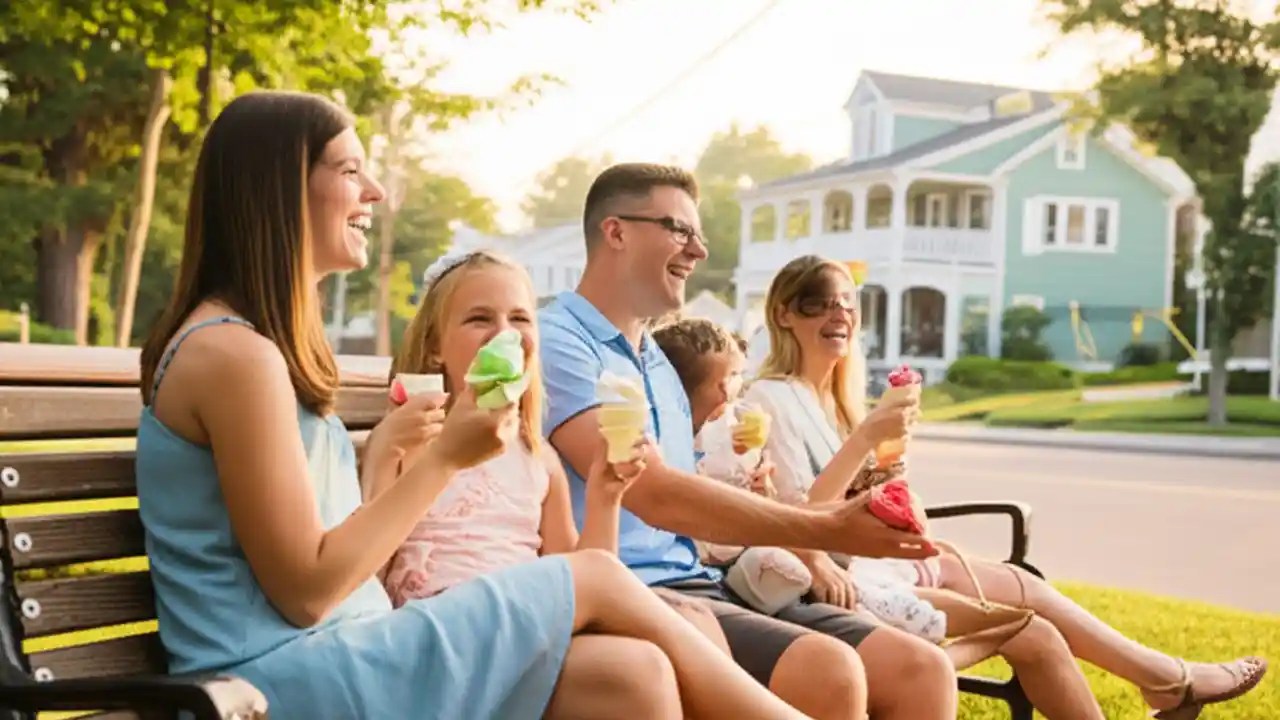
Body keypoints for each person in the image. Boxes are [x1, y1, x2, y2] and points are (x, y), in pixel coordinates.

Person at [132, 92, 798, 720]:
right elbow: (305, 594)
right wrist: (444, 458)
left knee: (633, 675)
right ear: (278, 190)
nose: (376, 191)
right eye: (351, 170)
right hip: (275, 681)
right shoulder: (233, 358)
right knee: (594, 577)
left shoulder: (255, 352)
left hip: (343, 649)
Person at [745, 253, 1269, 720]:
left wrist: (892, 482)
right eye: (818, 302)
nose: (838, 314)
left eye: (847, 303)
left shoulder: (840, 402)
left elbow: (862, 495)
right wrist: (865, 440)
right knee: (1034, 628)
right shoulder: (769, 399)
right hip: (839, 577)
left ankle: (1166, 680)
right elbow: (798, 517)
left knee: (1026, 589)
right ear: (783, 314)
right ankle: (1169, 681)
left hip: (880, 559)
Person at [539, 162, 959, 720]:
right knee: (828, 671)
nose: (698, 251)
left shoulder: (655, 358)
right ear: (616, 232)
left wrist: (755, 485)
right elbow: (652, 493)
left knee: (920, 668)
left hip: (704, 580)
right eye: (680, 230)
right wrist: (828, 527)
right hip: (629, 589)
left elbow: (691, 488)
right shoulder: (558, 341)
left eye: (699, 235)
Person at [375, 247, 815, 719]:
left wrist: (607, 494)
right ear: (436, 344)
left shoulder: (537, 456)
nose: (504, 334)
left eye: (521, 319)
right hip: (447, 634)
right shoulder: (409, 441)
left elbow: (581, 577)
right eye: (479, 319)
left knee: (697, 621)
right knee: (639, 669)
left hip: (532, 626)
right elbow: (369, 571)